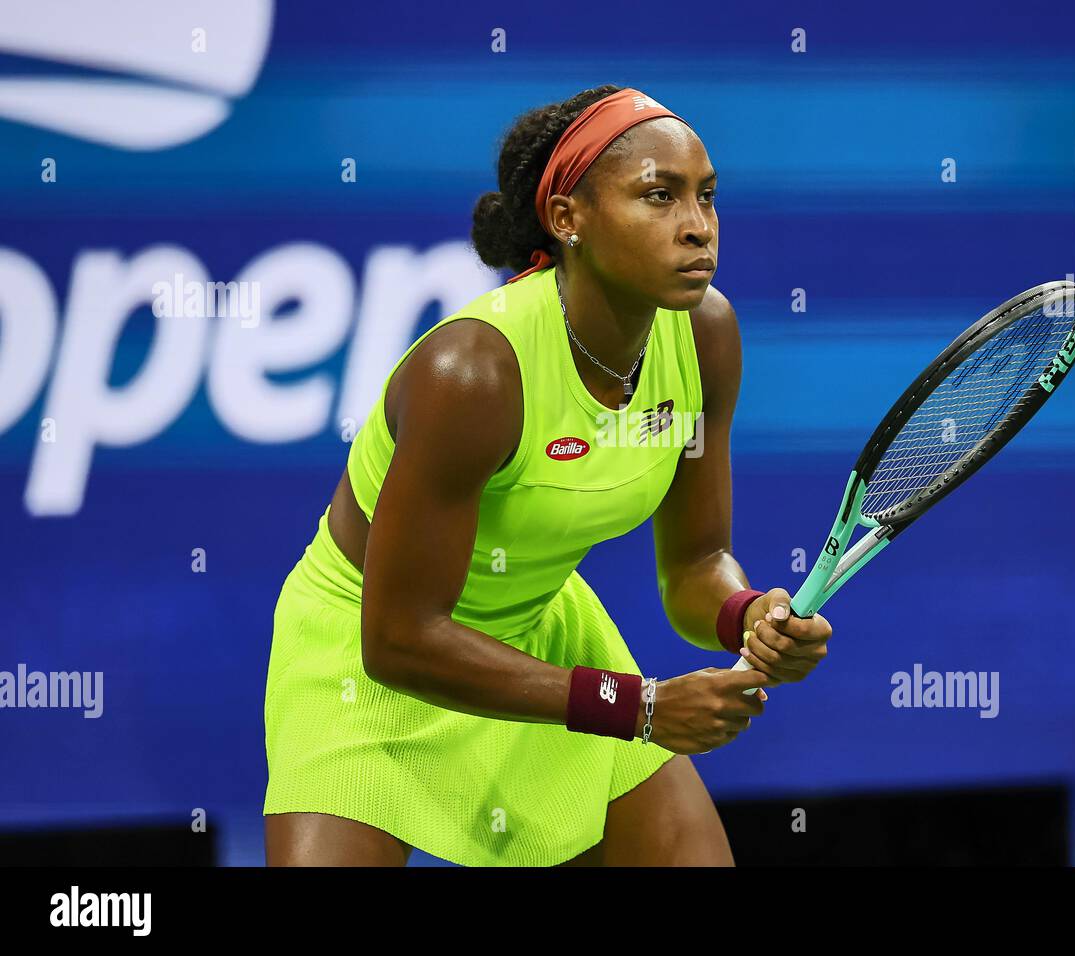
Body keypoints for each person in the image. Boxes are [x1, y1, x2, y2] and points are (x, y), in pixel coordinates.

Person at [263, 84, 834, 867]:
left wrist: (747, 616)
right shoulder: (473, 374)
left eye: (706, 198)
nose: (698, 227)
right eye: (658, 197)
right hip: (371, 656)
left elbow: (695, 566)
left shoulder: (706, 337)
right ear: (567, 219)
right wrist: (641, 707)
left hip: (541, 630)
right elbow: (397, 640)